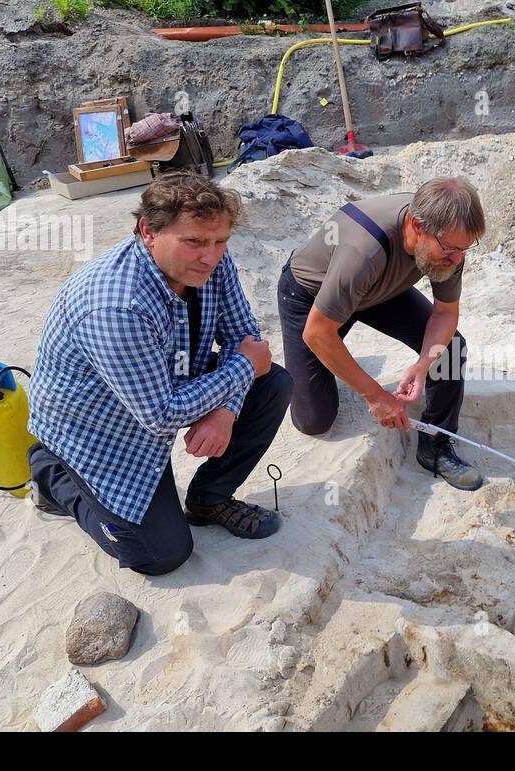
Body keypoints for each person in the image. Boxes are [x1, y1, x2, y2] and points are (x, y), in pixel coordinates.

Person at [26, 172, 293, 576]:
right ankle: (51, 475)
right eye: (195, 242)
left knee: (272, 382)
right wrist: (241, 369)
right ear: (148, 232)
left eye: (220, 241)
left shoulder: (211, 264)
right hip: (99, 432)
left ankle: (209, 498)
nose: (211, 255)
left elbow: (245, 338)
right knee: (159, 555)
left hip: (164, 386)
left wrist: (226, 411)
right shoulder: (116, 306)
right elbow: (161, 414)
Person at [278, 177, 485, 490]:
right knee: (314, 420)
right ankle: (326, 365)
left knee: (451, 349)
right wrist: (375, 395)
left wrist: (423, 365)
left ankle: (436, 442)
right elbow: (318, 333)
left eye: (463, 249)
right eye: (450, 249)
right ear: (417, 226)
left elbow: (445, 314)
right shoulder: (362, 252)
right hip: (313, 297)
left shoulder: (449, 240)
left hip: (379, 292)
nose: (457, 259)